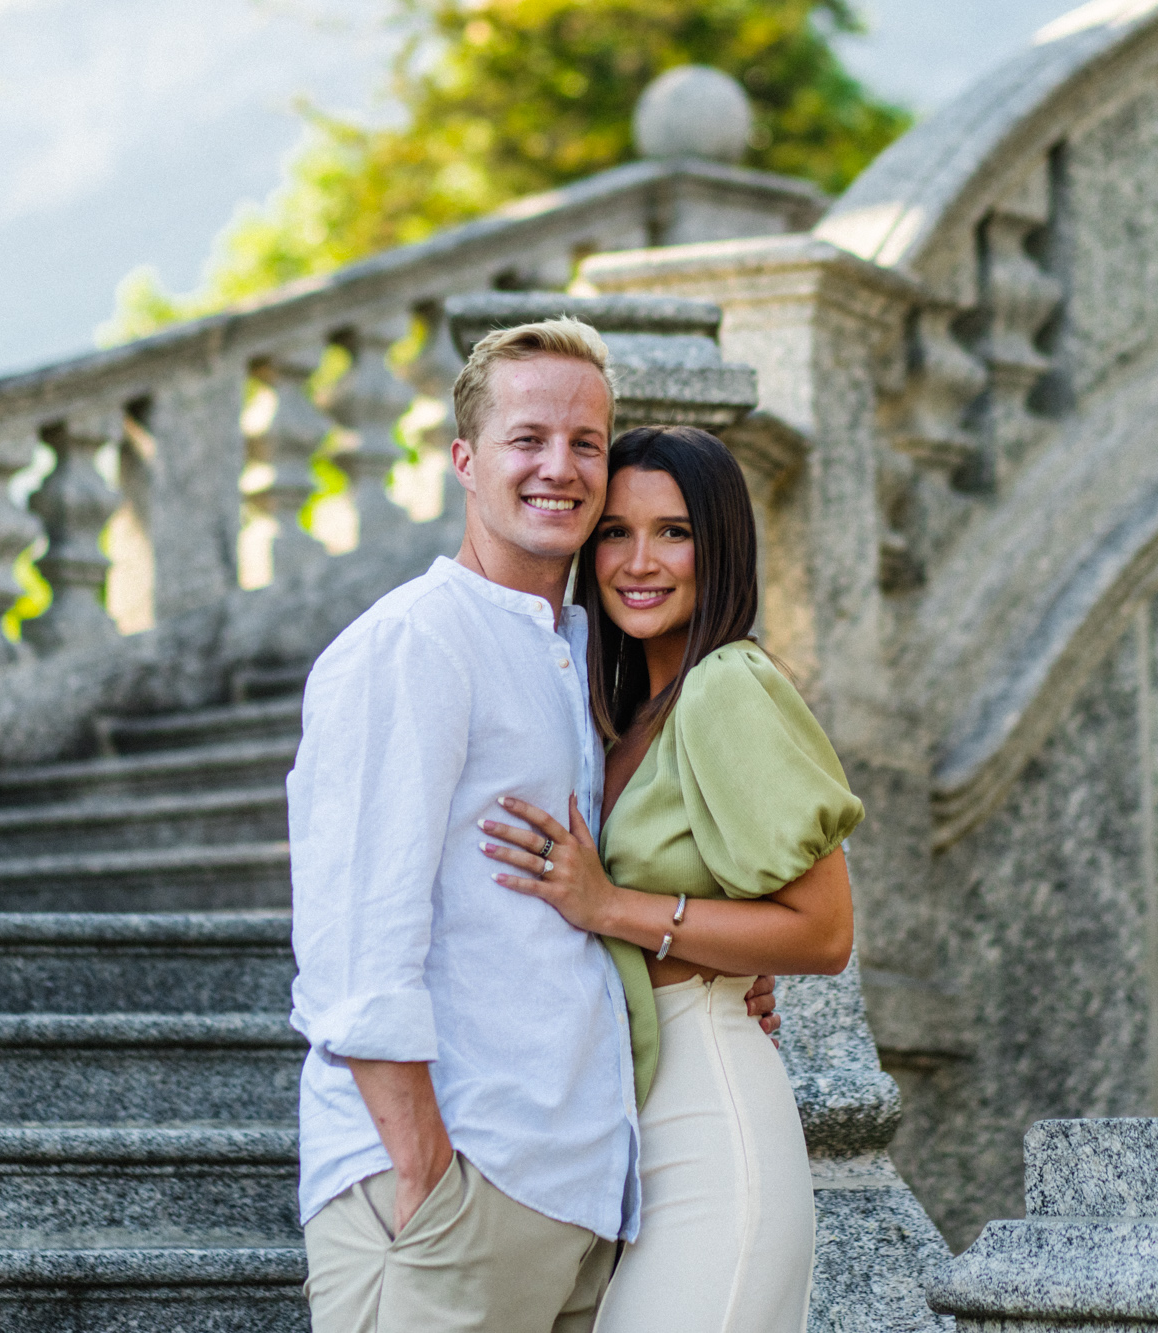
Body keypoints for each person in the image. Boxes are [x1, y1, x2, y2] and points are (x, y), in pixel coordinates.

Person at [287, 321, 775, 1333]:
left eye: (586, 441)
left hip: (579, 1190)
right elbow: (353, 945)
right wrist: (425, 1170)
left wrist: (703, 956)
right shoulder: (413, 644)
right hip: (456, 1186)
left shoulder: (581, 649)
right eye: (527, 438)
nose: (560, 466)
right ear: (464, 461)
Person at [479, 424, 861, 1333]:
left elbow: (825, 930)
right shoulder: (627, 714)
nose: (638, 561)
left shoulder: (726, 683)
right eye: (615, 531)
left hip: (712, 1123)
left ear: (719, 544)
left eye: (674, 531)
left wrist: (614, 904)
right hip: (631, 1125)